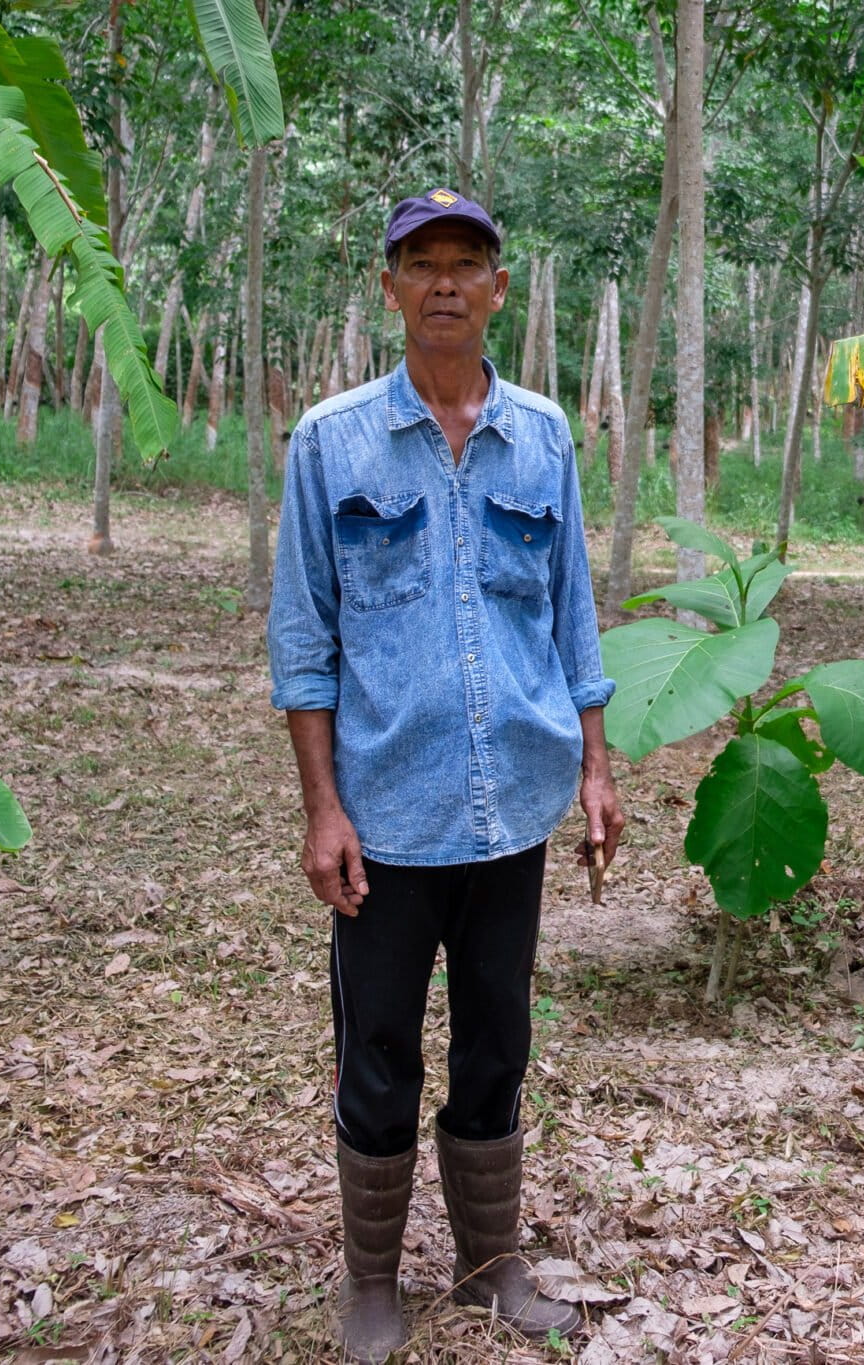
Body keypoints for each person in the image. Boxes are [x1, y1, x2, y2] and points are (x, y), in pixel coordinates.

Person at [267, 187, 622, 1359]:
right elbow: (304, 639)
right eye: (422, 264)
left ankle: (487, 1265)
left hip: (513, 800)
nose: (445, 284)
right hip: (386, 808)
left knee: (495, 1040)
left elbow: (572, 613)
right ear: (389, 289)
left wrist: (595, 768)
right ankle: (372, 1282)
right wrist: (323, 810)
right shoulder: (332, 443)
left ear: (498, 289)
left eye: (467, 263)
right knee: (375, 1047)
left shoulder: (544, 435)